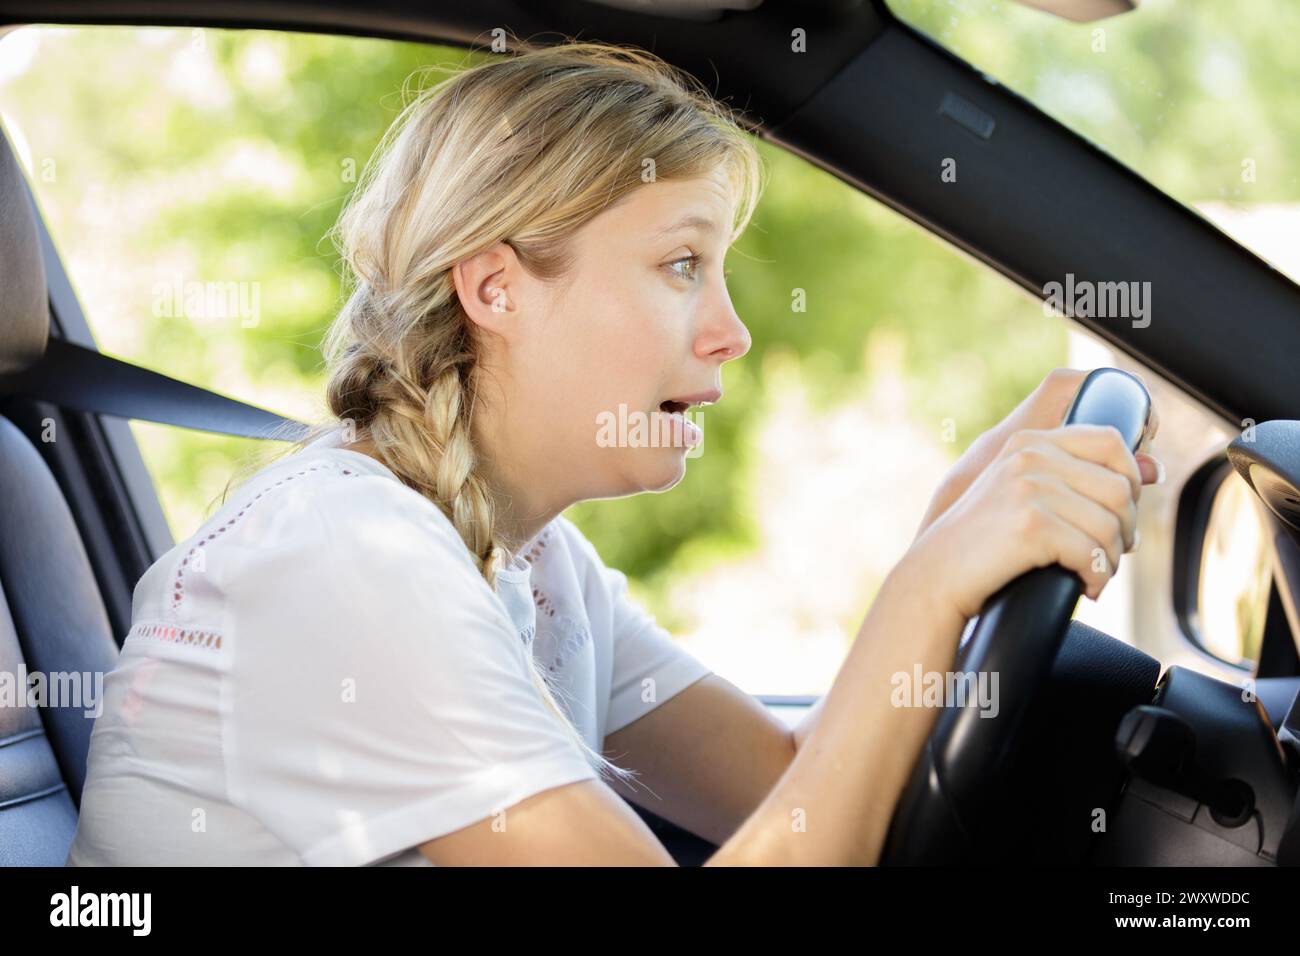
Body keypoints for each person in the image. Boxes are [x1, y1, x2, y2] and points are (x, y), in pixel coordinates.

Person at [67, 39, 1162, 867]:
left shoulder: (533, 563)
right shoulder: (346, 554)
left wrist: (952, 519)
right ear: (494, 287)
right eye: (682, 263)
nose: (731, 329)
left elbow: (783, 793)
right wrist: (928, 586)